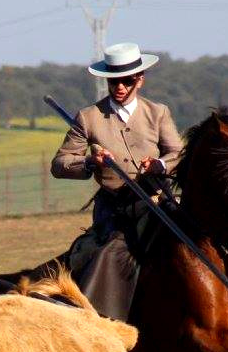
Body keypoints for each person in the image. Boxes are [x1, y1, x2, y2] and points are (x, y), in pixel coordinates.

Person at [51, 42, 183, 320]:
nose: (120, 87)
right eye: (114, 81)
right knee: (107, 255)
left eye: (126, 80)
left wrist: (158, 165)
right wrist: (90, 162)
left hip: (158, 202)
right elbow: (60, 164)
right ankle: (98, 321)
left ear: (140, 79)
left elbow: (178, 154)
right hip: (115, 212)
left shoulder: (158, 112)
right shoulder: (88, 118)